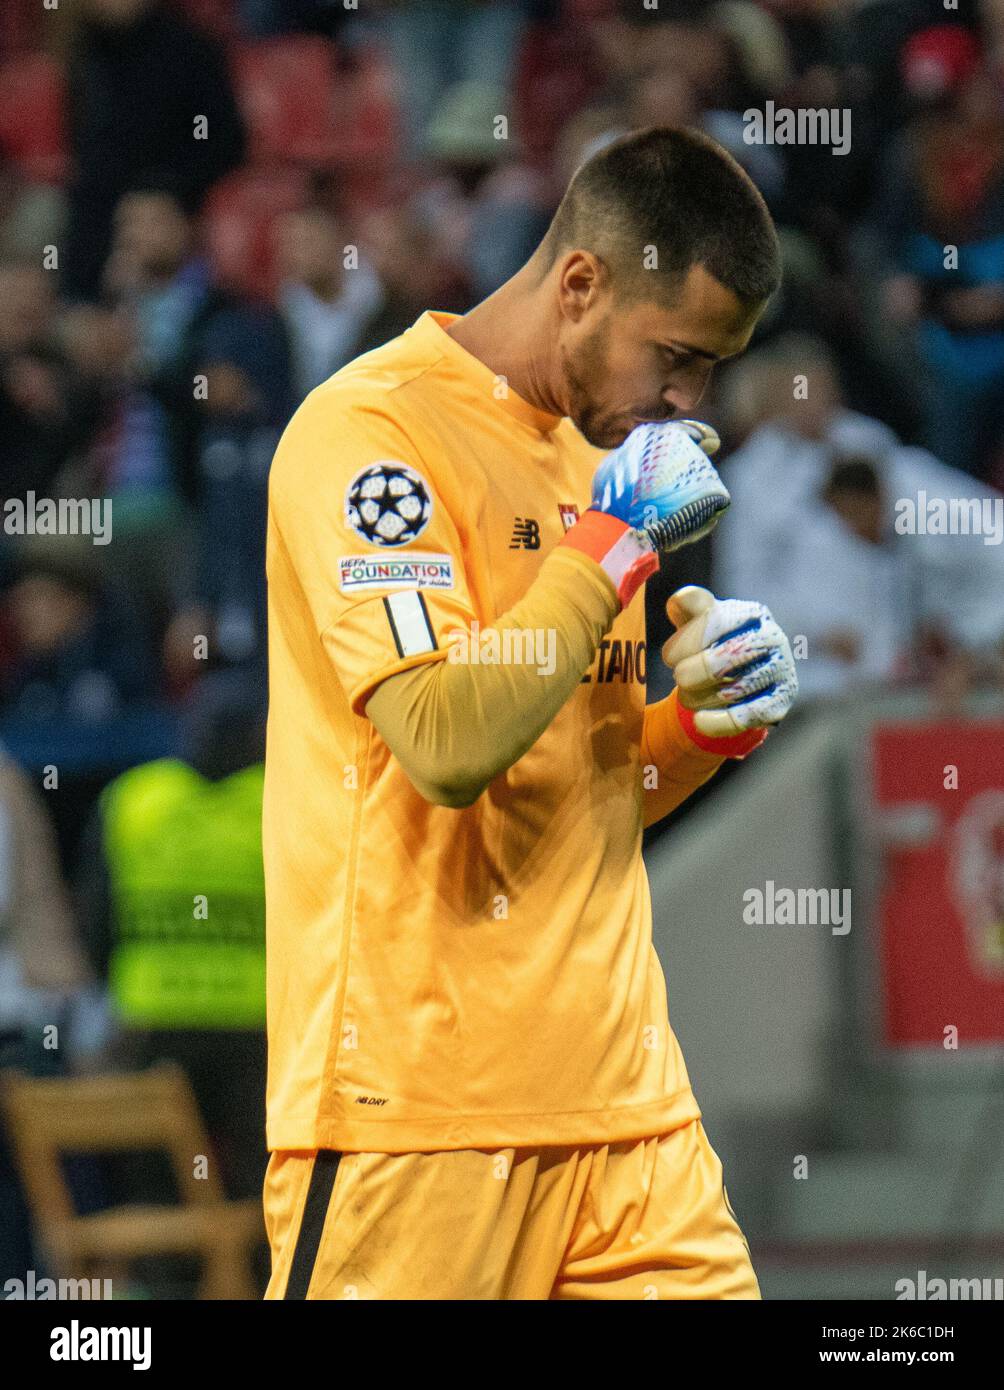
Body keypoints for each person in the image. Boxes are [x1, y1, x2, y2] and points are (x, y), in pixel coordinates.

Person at [262, 126, 798, 1300]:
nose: (685, 400)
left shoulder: (591, 457)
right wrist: (607, 551)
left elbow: (578, 800)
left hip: (630, 1118)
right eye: (675, 354)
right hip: (417, 1121)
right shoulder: (372, 438)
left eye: (712, 367)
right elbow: (447, 744)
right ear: (577, 284)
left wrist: (696, 728)